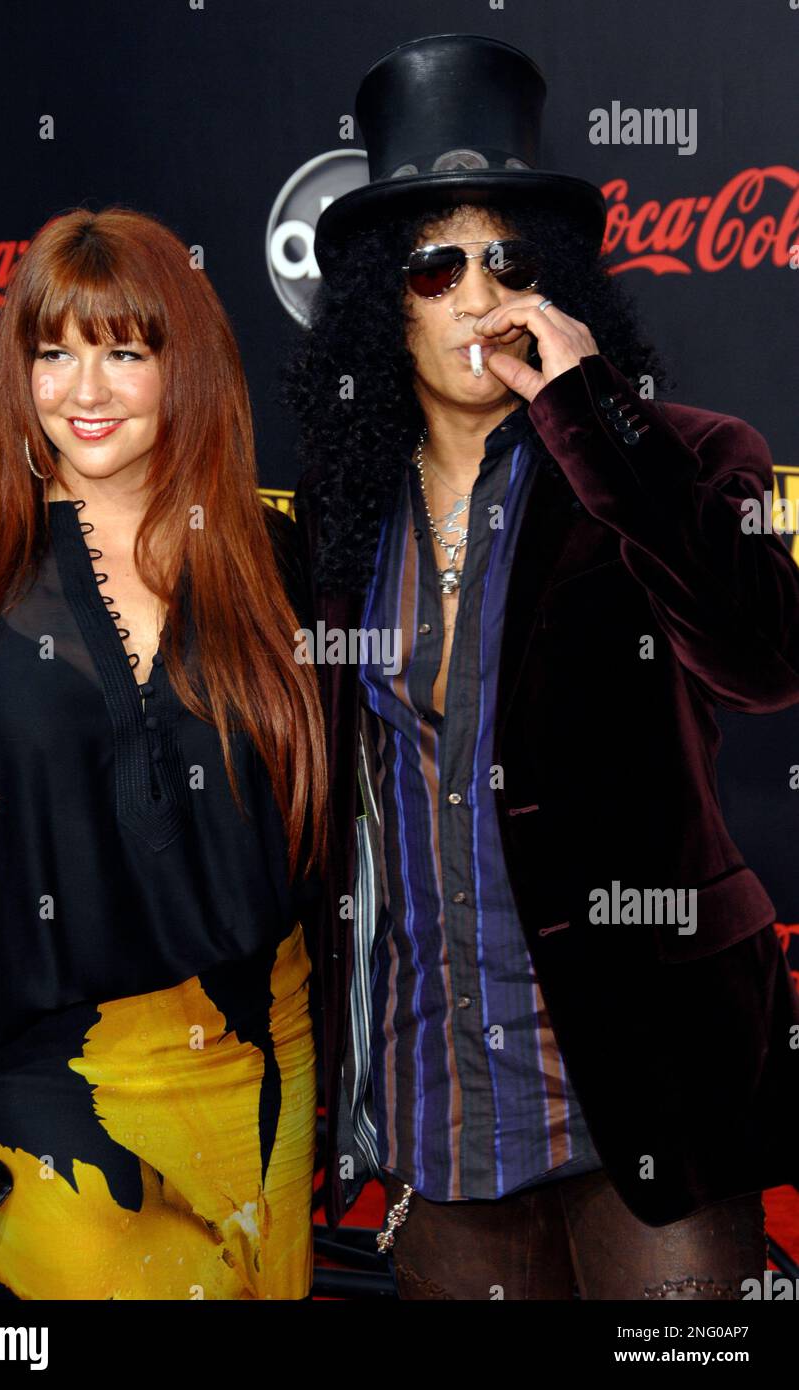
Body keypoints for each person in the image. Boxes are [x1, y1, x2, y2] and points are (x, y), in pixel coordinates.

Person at [285, 34, 799, 1300]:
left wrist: (593, 412)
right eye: (432, 264)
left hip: (645, 1104)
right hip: (441, 1113)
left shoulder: (674, 456)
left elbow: (760, 656)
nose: (474, 295)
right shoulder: (342, 528)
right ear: (378, 297)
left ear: (553, 280)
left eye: (506, 258)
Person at [0, 206, 327, 1300]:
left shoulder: (272, 565)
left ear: (183, 366)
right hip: (44, 1087)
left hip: (259, 1062)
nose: (84, 391)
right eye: (54, 353)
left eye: (124, 352)